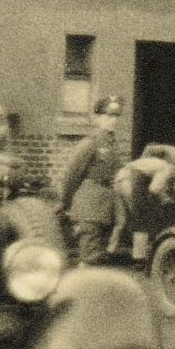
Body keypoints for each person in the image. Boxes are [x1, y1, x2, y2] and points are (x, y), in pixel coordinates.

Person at [55, 95, 124, 264]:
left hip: (106, 208)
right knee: (89, 259)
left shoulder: (113, 145)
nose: (113, 120)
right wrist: (65, 202)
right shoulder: (90, 143)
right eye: (108, 115)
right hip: (90, 207)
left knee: (98, 259)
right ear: (98, 117)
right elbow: (71, 175)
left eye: (116, 116)